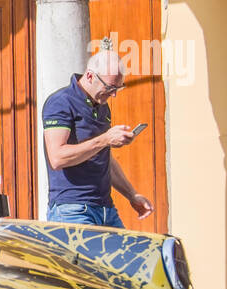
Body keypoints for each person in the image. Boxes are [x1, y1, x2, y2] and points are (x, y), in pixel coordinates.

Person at [42, 48, 153, 227]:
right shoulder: (61, 102)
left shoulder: (101, 106)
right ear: (90, 76)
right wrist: (105, 139)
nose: (114, 95)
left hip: (105, 209)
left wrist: (132, 194)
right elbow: (57, 157)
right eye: (110, 88)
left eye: (118, 88)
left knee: (124, 255)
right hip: (72, 209)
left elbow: (104, 158)